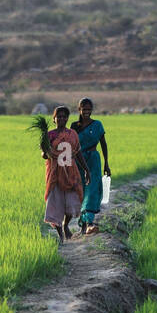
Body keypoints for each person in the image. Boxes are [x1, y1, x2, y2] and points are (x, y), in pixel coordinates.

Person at [42, 105, 90, 243]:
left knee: (72, 201)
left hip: (70, 172)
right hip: (55, 173)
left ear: (67, 118)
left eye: (64, 116)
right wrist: (45, 151)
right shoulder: (49, 135)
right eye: (59, 116)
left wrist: (86, 169)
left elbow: (78, 153)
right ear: (54, 119)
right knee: (55, 203)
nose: (61, 119)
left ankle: (66, 225)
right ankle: (60, 234)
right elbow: (44, 156)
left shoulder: (72, 134)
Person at [71, 98, 111, 235]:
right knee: (81, 190)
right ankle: (84, 223)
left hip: (93, 160)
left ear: (91, 110)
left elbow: (103, 145)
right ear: (79, 110)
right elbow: (71, 145)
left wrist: (106, 164)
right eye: (84, 109)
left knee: (92, 190)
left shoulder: (97, 125)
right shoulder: (74, 126)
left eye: (89, 109)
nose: (86, 112)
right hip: (78, 161)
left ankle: (90, 222)